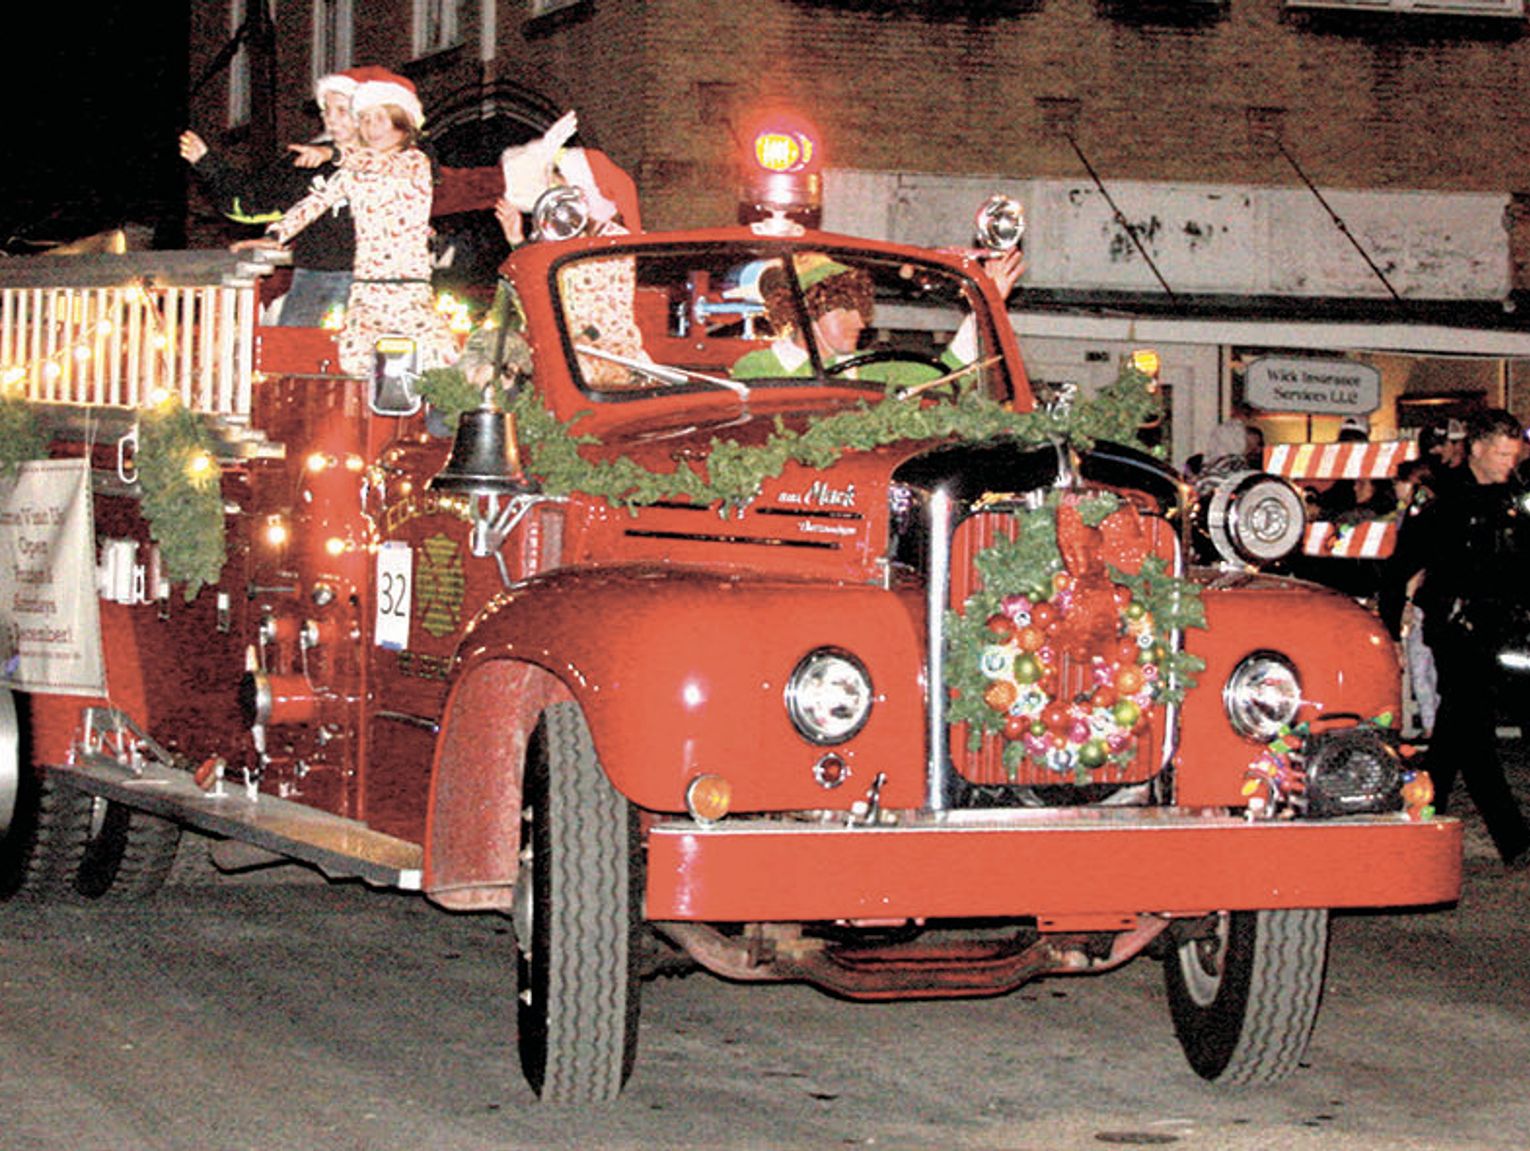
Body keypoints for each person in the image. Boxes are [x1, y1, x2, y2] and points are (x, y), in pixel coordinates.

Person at [1380, 408, 1530, 872]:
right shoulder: (1442, 499)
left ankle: (1418, 819)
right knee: (1472, 728)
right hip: (1454, 627)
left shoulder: (1514, 497)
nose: (1509, 461)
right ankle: (1514, 839)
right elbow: (1401, 565)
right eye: (1501, 453)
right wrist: (1390, 629)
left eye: (1514, 453)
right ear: (1478, 448)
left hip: (1498, 626)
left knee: (1456, 736)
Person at [236, 74, 457, 378]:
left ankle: (454, 417)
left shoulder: (414, 162)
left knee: (437, 359)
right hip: (366, 286)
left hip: (406, 285)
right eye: (364, 120)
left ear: (402, 121)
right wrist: (275, 235)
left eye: (380, 119)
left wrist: (331, 153)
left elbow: (376, 163)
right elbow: (314, 203)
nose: (372, 128)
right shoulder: (351, 173)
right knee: (353, 361)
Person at [181, 70, 363, 325]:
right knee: (292, 353)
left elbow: (401, 160)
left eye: (342, 111)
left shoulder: (395, 158)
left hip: (371, 278)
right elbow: (254, 201)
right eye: (326, 111)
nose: (331, 120)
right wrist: (208, 164)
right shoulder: (305, 163)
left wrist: (332, 153)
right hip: (314, 275)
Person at [729, 250, 1024, 383]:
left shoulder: (868, 371)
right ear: (805, 312)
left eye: (861, 309)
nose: (859, 322)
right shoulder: (756, 369)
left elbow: (949, 374)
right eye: (844, 308)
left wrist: (987, 302)